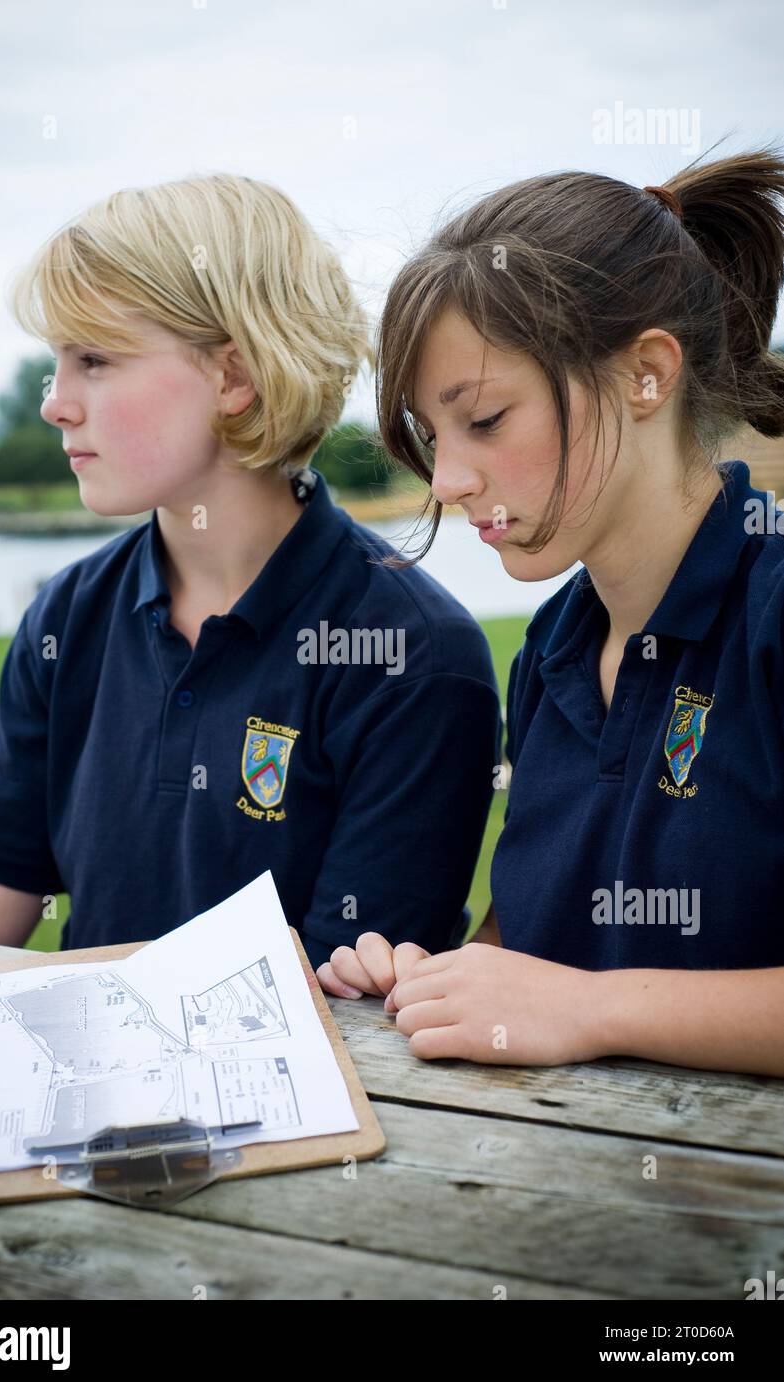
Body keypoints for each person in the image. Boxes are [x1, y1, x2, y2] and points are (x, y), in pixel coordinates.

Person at [0, 173, 499, 970]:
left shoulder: (413, 656)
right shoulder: (64, 617)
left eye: (94, 358)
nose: (55, 402)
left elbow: (357, 997)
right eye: (56, 361)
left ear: (233, 377)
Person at [318, 148, 784, 1077]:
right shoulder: (549, 651)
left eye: (484, 420)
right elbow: (525, 939)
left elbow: (574, 999)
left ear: (646, 373)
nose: (448, 480)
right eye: (430, 433)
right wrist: (434, 978)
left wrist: (593, 1007)